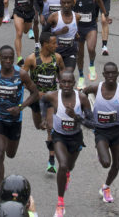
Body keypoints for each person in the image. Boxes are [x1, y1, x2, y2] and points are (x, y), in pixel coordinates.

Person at [0, 45, 40, 187]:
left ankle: (8, 146)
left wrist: (20, 107)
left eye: (11, 58)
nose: (8, 61)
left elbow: (35, 93)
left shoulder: (21, 74)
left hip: (15, 120)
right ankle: (0, 189)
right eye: (5, 58)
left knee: (10, 154)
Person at [83, 61, 119, 204]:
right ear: (103, 74)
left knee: (116, 164)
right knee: (106, 163)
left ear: (117, 74)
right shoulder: (96, 88)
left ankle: (106, 187)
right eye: (107, 73)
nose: (110, 76)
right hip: (101, 131)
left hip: (117, 132)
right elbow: (83, 93)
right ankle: (100, 150)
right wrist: (87, 111)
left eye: (113, 73)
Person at [44, 69, 92, 216]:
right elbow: (41, 101)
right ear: (59, 83)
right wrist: (44, 119)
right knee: (63, 165)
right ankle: (60, 203)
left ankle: (67, 174)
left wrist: (76, 117)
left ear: (74, 83)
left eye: (69, 82)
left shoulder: (82, 98)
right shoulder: (52, 96)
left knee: (69, 166)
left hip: (75, 137)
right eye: (63, 82)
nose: (66, 85)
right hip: (59, 136)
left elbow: (92, 123)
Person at [23, 30, 64, 174]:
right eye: (53, 43)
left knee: (51, 127)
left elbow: (63, 72)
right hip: (36, 99)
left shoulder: (57, 58)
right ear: (45, 44)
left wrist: (64, 86)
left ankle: (51, 160)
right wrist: (34, 91)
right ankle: (43, 122)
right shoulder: (31, 59)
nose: (56, 46)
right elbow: (22, 78)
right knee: (39, 126)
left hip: (51, 98)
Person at [74, 0, 110, 90]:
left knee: (91, 48)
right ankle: (81, 77)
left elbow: (100, 2)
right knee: (80, 54)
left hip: (90, 26)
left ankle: (91, 65)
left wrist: (105, 14)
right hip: (78, 28)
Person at [5, 0, 42, 65]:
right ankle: (19, 58)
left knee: (26, 31)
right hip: (18, 12)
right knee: (19, 33)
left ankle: (28, 30)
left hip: (29, 12)